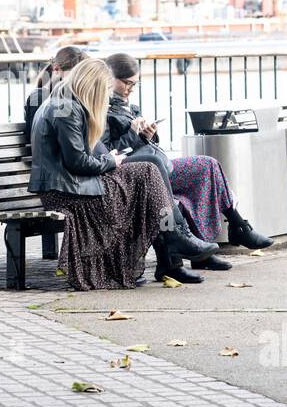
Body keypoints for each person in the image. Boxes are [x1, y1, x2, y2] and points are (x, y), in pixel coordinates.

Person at [103, 53, 273, 277]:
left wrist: (149, 134)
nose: (130, 88)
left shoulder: (130, 107)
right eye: (126, 82)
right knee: (175, 196)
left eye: (134, 84)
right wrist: (133, 134)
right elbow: (107, 150)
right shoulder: (102, 108)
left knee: (206, 165)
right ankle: (176, 262)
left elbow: (145, 145)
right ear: (108, 77)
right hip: (134, 174)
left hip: (159, 167)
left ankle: (234, 226)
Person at [29, 59, 175, 290]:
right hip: (64, 192)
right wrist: (110, 160)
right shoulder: (66, 109)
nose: (107, 98)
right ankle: (172, 238)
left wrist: (109, 157)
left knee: (146, 172)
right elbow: (77, 163)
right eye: (105, 91)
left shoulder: (66, 103)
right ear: (94, 87)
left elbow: (79, 158)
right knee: (145, 173)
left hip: (72, 185)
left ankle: (172, 237)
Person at [23, 46, 89, 148]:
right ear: (57, 69)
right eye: (76, 74)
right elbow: (38, 139)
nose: (80, 79)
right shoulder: (39, 97)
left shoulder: (68, 98)